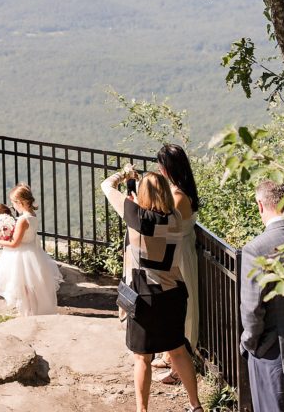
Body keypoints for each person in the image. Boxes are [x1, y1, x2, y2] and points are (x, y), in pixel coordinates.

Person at [101, 167, 203, 412]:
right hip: (173, 293)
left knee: (142, 357)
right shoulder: (176, 219)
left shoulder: (137, 217)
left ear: (142, 196)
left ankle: (143, 409)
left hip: (144, 296)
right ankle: (196, 405)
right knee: (178, 350)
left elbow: (106, 186)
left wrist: (125, 175)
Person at [240, 179, 284, 412]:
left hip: (273, 352)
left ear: (260, 205)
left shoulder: (256, 249)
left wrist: (250, 344)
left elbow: (251, 311)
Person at [153, 142, 200, 382]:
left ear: (166, 168)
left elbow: (164, 227)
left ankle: (179, 368)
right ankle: (169, 355)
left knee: (179, 310)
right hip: (176, 254)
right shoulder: (178, 190)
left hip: (178, 258)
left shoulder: (179, 196)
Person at [0, 183, 62, 316]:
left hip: (21, 257)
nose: (12, 206)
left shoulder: (23, 220)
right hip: (33, 253)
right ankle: (34, 311)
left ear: (20, 202)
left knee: (24, 289)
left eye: (13, 203)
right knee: (33, 287)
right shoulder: (33, 215)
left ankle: (28, 313)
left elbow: (14, 244)